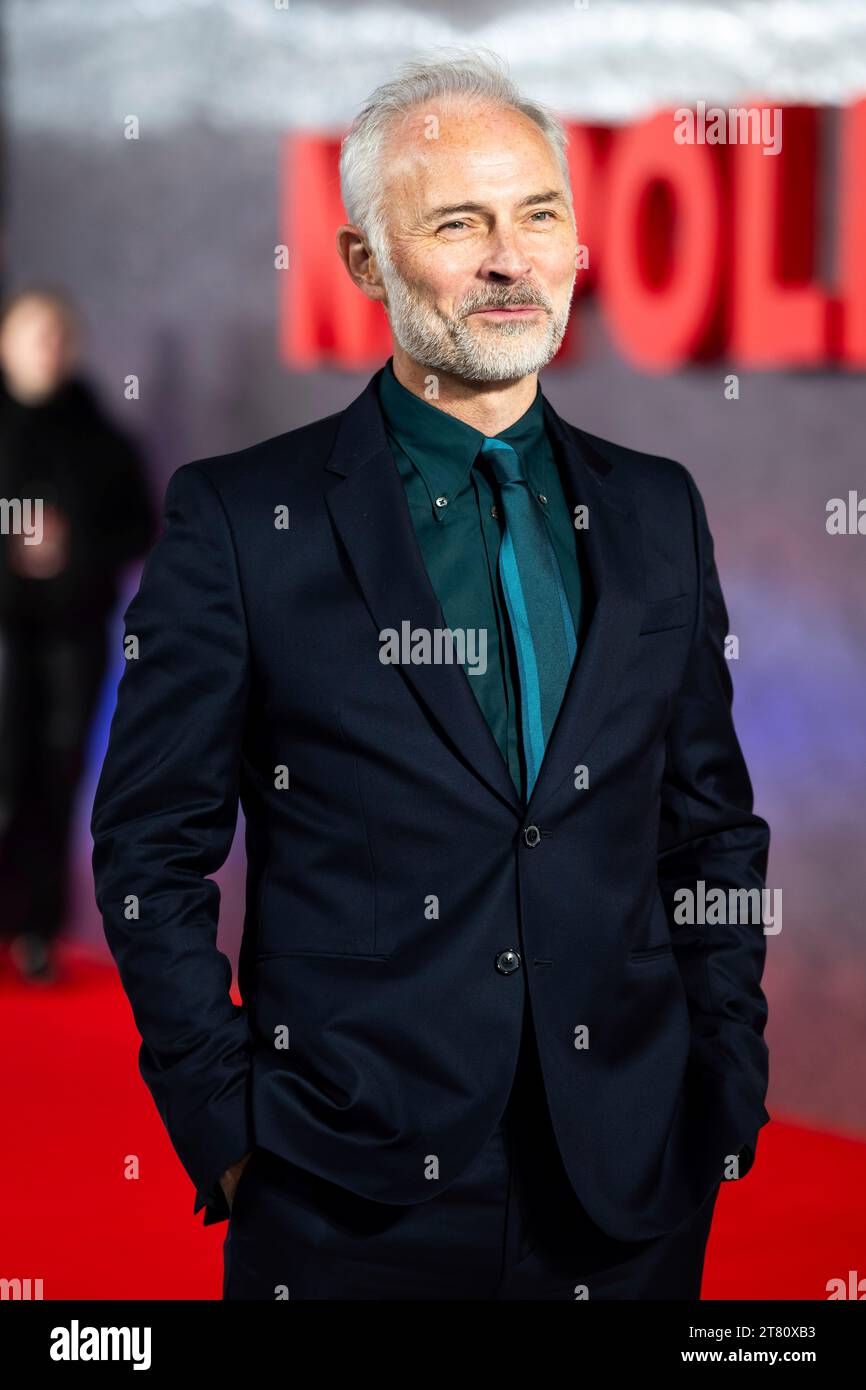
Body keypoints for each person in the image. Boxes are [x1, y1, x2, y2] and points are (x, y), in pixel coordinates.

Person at [91, 51, 770, 1300]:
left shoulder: (655, 510)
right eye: (458, 222)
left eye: (537, 213)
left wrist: (724, 1079)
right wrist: (228, 1128)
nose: (509, 258)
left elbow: (711, 830)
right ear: (363, 263)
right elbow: (148, 845)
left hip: (627, 1188)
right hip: (341, 1192)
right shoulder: (243, 521)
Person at [0, 287, 156, 982]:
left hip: (72, 635)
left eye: (57, 337)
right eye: (32, 336)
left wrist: (68, 549)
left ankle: (36, 928)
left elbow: (140, 529)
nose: (46, 351)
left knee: (57, 777)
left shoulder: (101, 436)